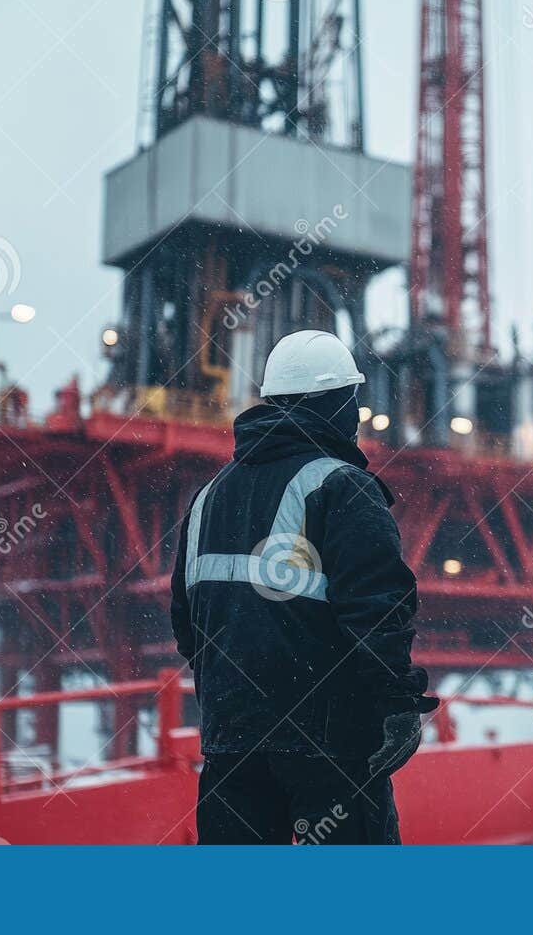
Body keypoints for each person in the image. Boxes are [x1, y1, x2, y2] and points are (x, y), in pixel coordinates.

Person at [169, 329, 437, 844]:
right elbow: (378, 612)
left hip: (232, 746)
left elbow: (187, 623)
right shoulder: (343, 487)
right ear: (337, 405)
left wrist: (239, 693)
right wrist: (397, 702)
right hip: (330, 747)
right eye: (351, 401)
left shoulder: (207, 497)